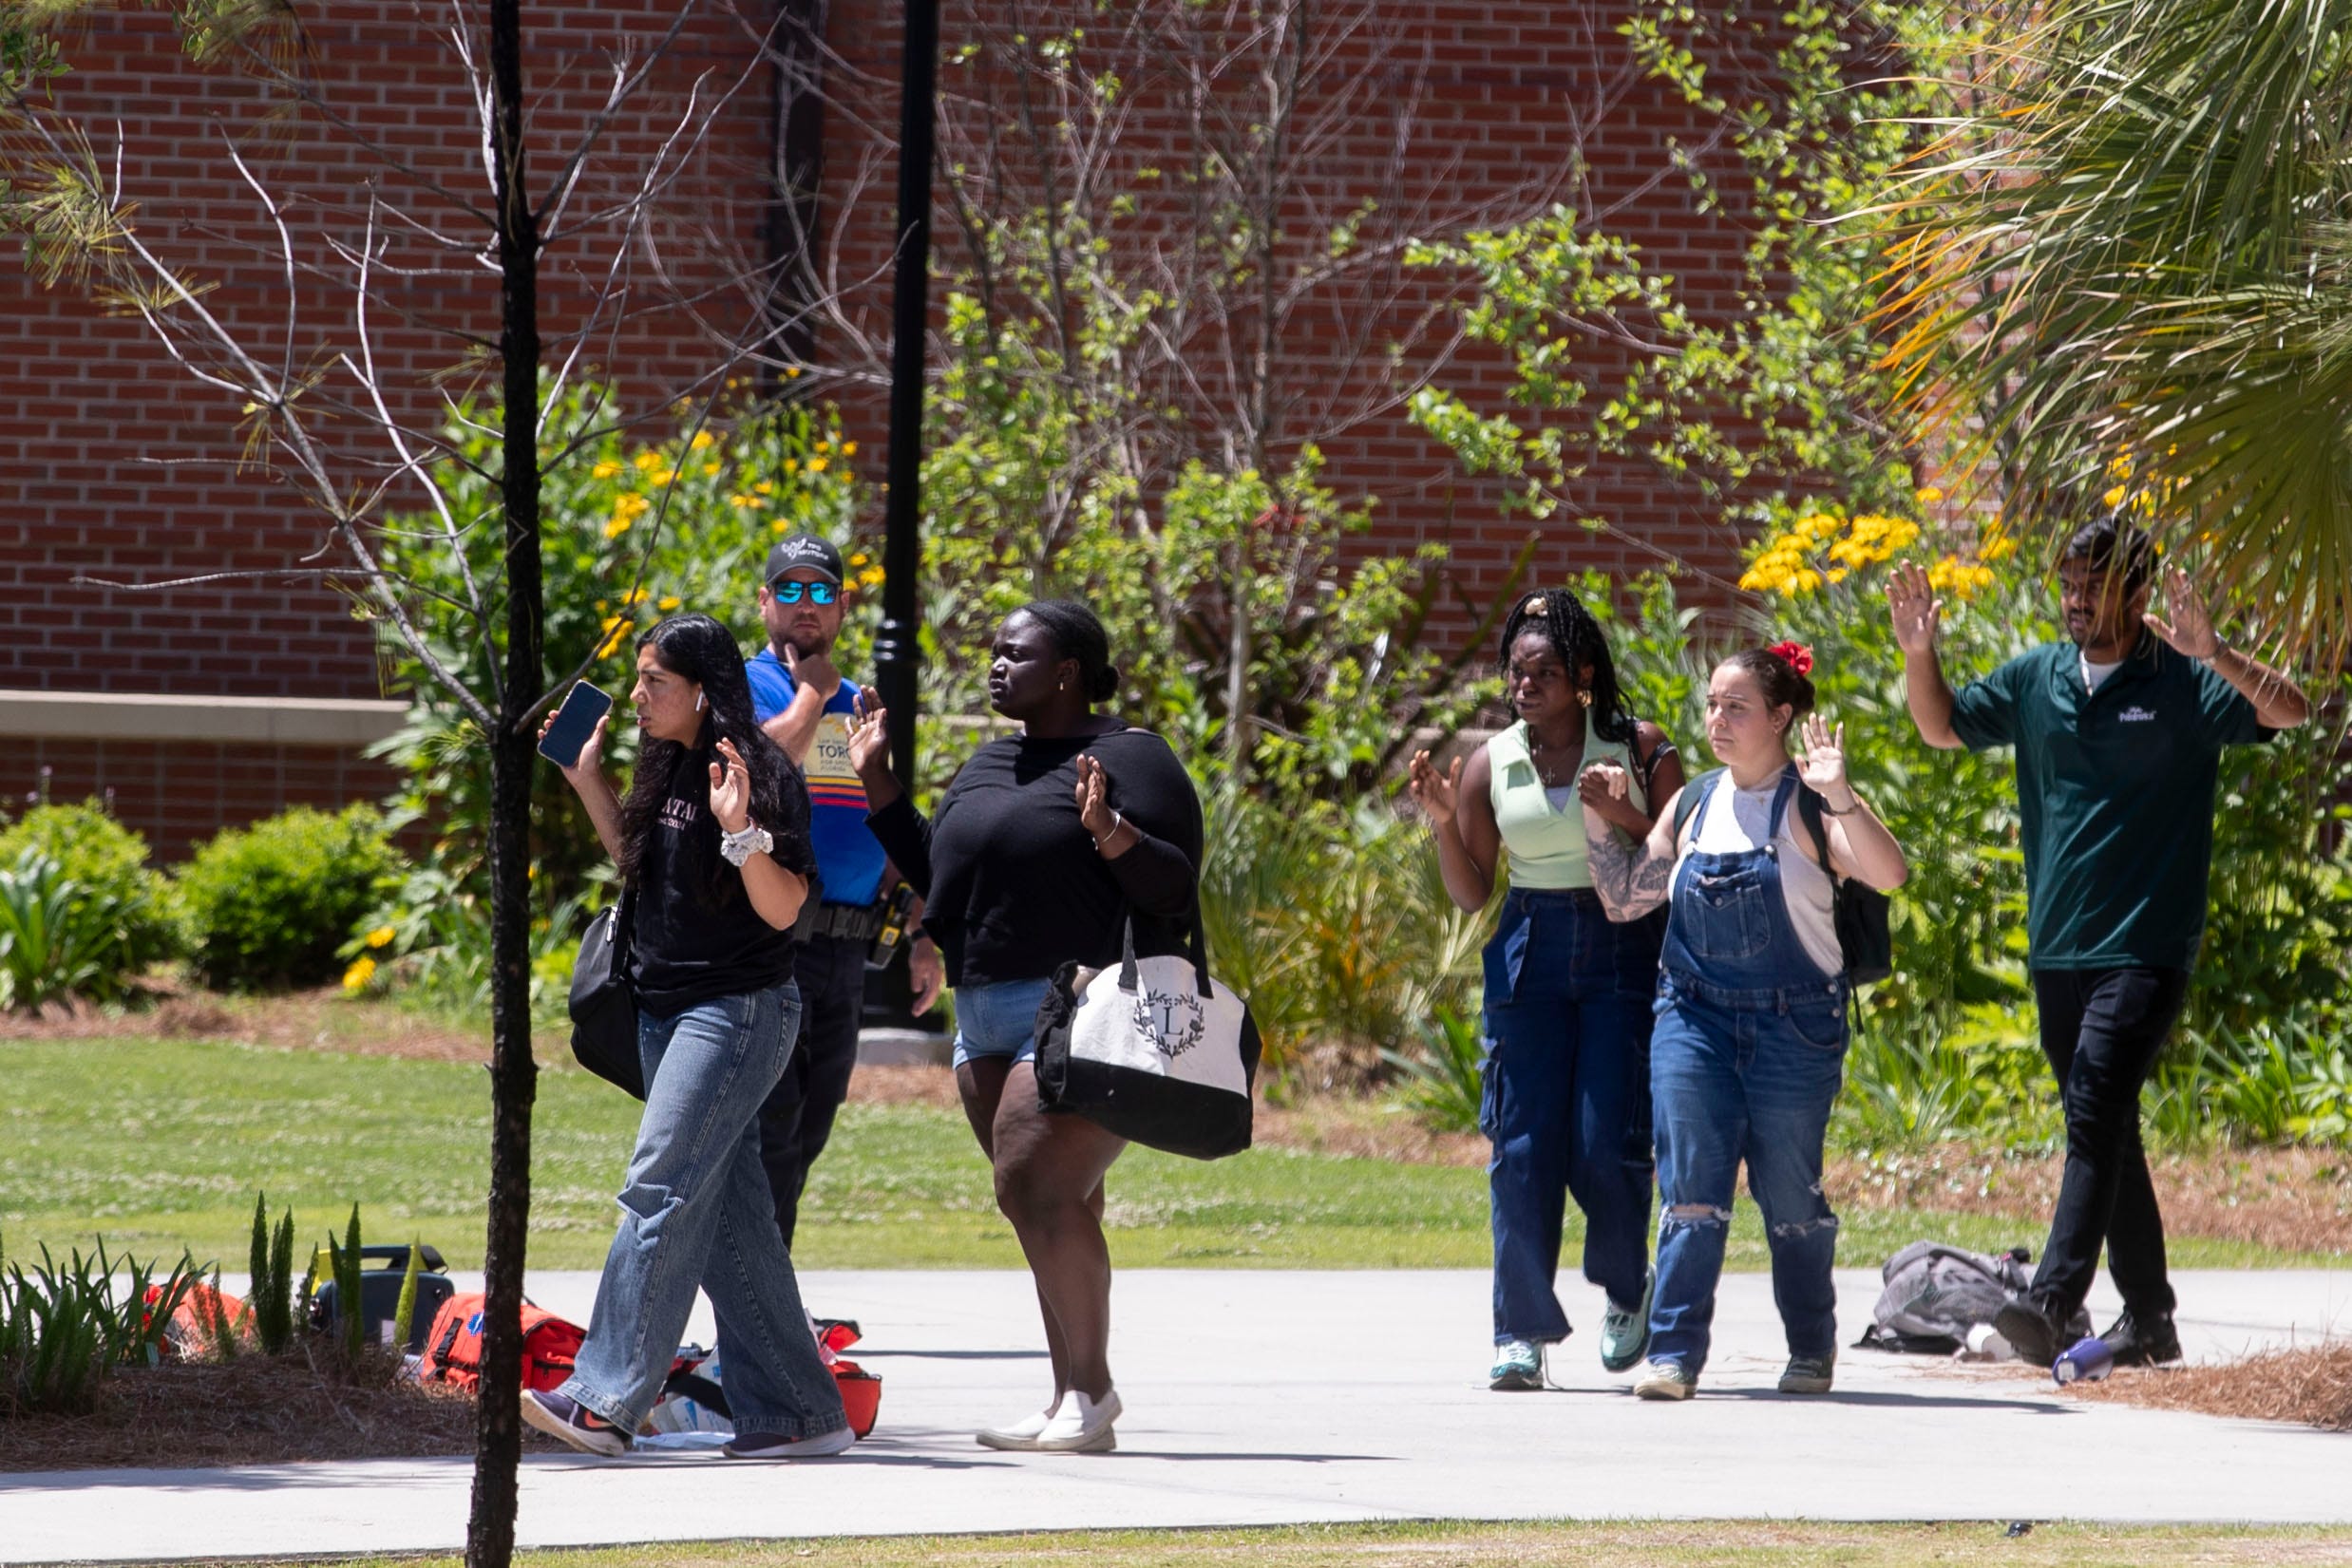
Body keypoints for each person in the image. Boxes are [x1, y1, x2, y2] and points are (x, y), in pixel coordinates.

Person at [1888, 520, 2309, 1369]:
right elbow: (1940, 726)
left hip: (2148, 942)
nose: (2078, 597)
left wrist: (2216, 650)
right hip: (2059, 946)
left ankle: (2051, 1299)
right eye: (2069, 581)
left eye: (2096, 582)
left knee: (2093, 1106)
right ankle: (2151, 1320)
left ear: (2139, 591)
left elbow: (2290, 709)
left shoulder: (2182, 677)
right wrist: (1917, 651)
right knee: (2107, 1124)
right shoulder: (2039, 676)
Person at [847, 600, 1203, 1454]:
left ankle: (1094, 1390)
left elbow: (1175, 886)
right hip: (986, 1014)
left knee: (1033, 1187)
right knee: (1052, 1204)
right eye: (994, 652)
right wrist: (877, 779)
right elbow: (942, 870)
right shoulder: (988, 762)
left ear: (1070, 669)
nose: (996, 664)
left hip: (1082, 1008)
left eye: (1016, 652)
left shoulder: (1132, 758)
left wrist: (1111, 832)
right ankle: (1067, 1402)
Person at [526, 613, 852, 1460]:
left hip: (737, 1011)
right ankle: (799, 1411)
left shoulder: (761, 770)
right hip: (662, 1009)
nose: (637, 696)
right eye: (638, 680)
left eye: (654, 683)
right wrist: (584, 776)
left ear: (702, 693)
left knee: (658, 1189)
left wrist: (741, 828)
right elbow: (639, 864)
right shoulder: (665, 760)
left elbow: (786, 906)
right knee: (730, 1218)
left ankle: (603, 1396)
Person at [1584, 643, 1908, 1400]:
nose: (1717, 720)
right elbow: (1626, 900)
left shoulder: (1808, 801)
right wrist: (1603, 821)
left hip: (1795, 1027)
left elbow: (1889, 873)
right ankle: (1673, 1355)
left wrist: (1842, 794)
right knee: (1692, 1191)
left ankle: (1810, 1346)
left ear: (1781, 716)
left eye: (1737, 706)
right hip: (1692, 1020)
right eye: (1711, 705)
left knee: (1790, 1197)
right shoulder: (1693, 801)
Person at [1406, 588, 1683, 1391]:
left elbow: (1684, 845)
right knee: (1520, 1145)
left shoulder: (1639, 745)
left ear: (1583, 676)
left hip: (1621, 940)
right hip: (1529, 946)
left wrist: (1625, 812)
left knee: (1607, 1138)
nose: (1524, 685)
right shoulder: (1493, 762)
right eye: (1515, 672)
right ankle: (1519, 1330)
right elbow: (1471, 891)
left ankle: (1629, 1292)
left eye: (1544, 672)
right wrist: (1440, 821)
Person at [743, 534, 946, 1250]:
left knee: (807, 1132)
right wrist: (811, 693)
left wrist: (923, 932)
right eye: (789, 589)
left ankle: (767, 1301)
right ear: (764, 600)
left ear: (843, 606)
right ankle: (761, 1319)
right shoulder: (746, 684)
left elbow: (878, 819)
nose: (806, 605)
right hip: (772, 949)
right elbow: (762, 773)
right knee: (771, 1133)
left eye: (821, 591)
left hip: (848, 952)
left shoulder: (861, 699)